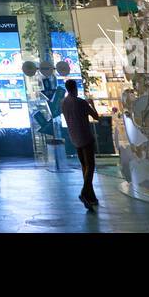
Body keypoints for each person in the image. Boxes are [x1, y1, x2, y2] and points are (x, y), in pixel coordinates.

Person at [61, 78, 101, 206]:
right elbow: (96, 117)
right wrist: (92, 104)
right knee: (90, 166)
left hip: (74, 138)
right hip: (86, 137)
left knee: (84, 166)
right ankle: (84, 192)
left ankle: (91, 197)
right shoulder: (81, 102)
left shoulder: (63, 103)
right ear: (75, 88)